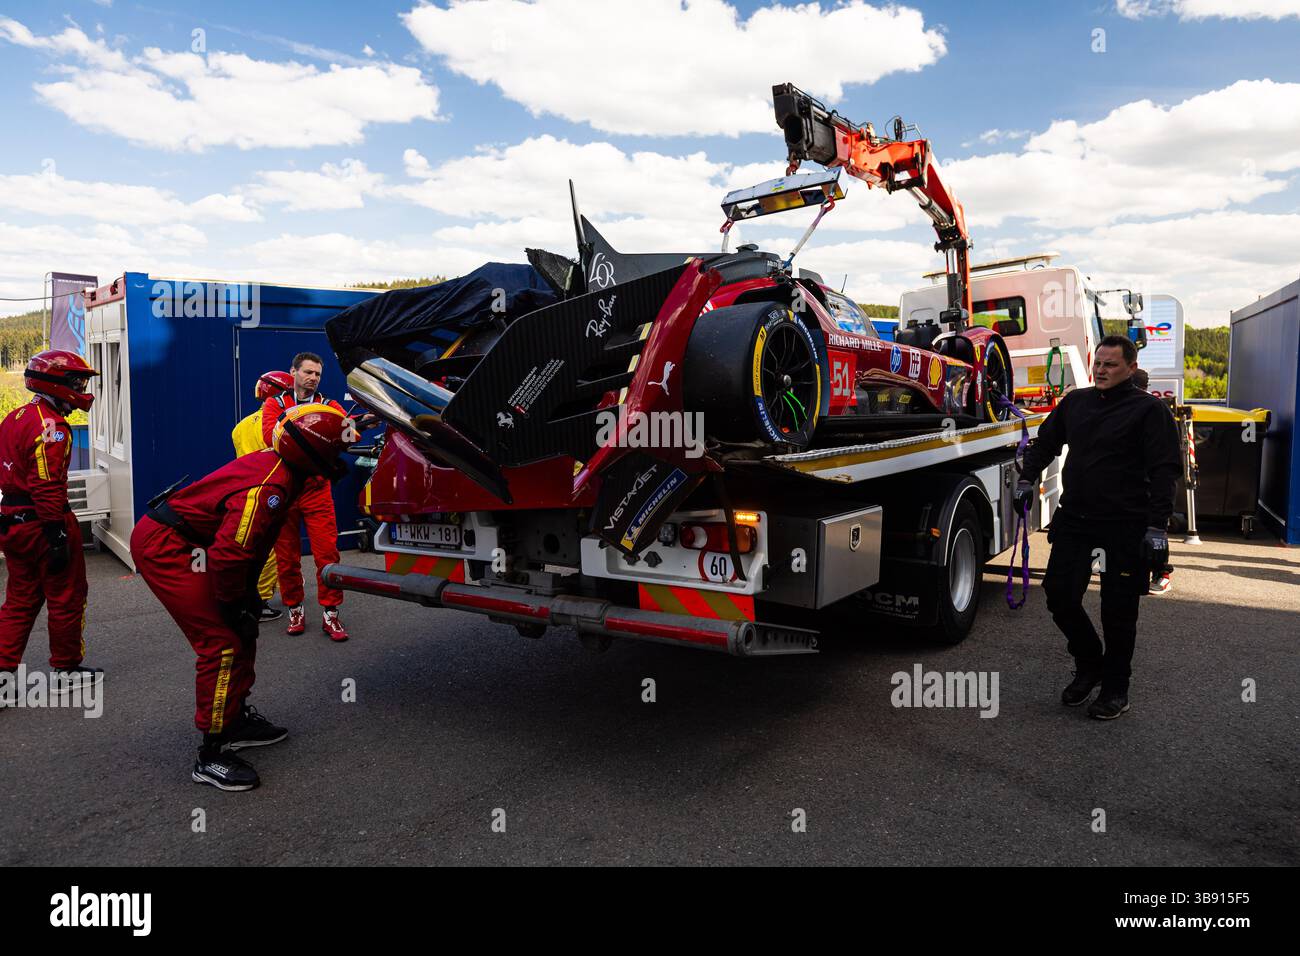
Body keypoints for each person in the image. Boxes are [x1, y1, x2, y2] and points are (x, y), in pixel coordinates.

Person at [131, 403, 351, 790]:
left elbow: (247, 546)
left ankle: (234, 720)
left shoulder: (285, 470)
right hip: (168, 546)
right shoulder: (273, 485)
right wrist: (233, 604)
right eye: (335, 447)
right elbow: (229, 555)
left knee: (244, 629)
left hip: (197, 545)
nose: (339, 454)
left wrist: (246, 599)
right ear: (314, 452)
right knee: (221, 642)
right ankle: (211, 752)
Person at [1016, 335, 1181, 720]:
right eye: (1098, 364)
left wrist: (1157, 528)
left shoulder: (1149, 411)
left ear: (1130, 368)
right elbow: (1046, 443)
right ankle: (1091, 662)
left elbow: (1164, 471)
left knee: (1118, 611)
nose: (1101, 371)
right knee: (1058, 595)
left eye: (1110, 365)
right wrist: (1027, 478)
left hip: (1125, 525)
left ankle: (1116, 688)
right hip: (1076, 519)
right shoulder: (1077, 402)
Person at [0, 350, 103, 700]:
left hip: (12, 523)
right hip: (45, 522)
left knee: (19, 600)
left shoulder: (14, 417)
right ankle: (66, 668)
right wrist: (55, 533)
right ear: (55, 383)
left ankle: (2, 675)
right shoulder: (53, 427)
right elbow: (46, 484)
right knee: (67, 596)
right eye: (76, 381)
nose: (81, 388)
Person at [260, 352, 350, 641]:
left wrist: (349, 428)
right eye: (308, 372)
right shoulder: (275, 403)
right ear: (294, 372)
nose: (312, 378)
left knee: (328, 555)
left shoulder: (329, 405)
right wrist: (316, 433)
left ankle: (331, 614)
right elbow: (269, 437)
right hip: (285, 492)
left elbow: (348, 435)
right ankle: (294, 609)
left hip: (317, 491)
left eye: (318, 374)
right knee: (286, 558)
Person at [232, 371, 294, 622]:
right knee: (271, 549)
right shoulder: (278, 424)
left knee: (248, 545)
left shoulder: (241, 426)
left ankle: (242, 594)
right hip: (271, 492)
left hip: (245, 492)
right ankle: (259, 601)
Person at [1130, 368, 1175, 594]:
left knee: (1156, 528)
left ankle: (1162, 573)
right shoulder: (1122, 407)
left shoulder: (1155, 410)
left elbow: (1166, 465)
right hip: (1137, 485)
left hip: (1152, 484)